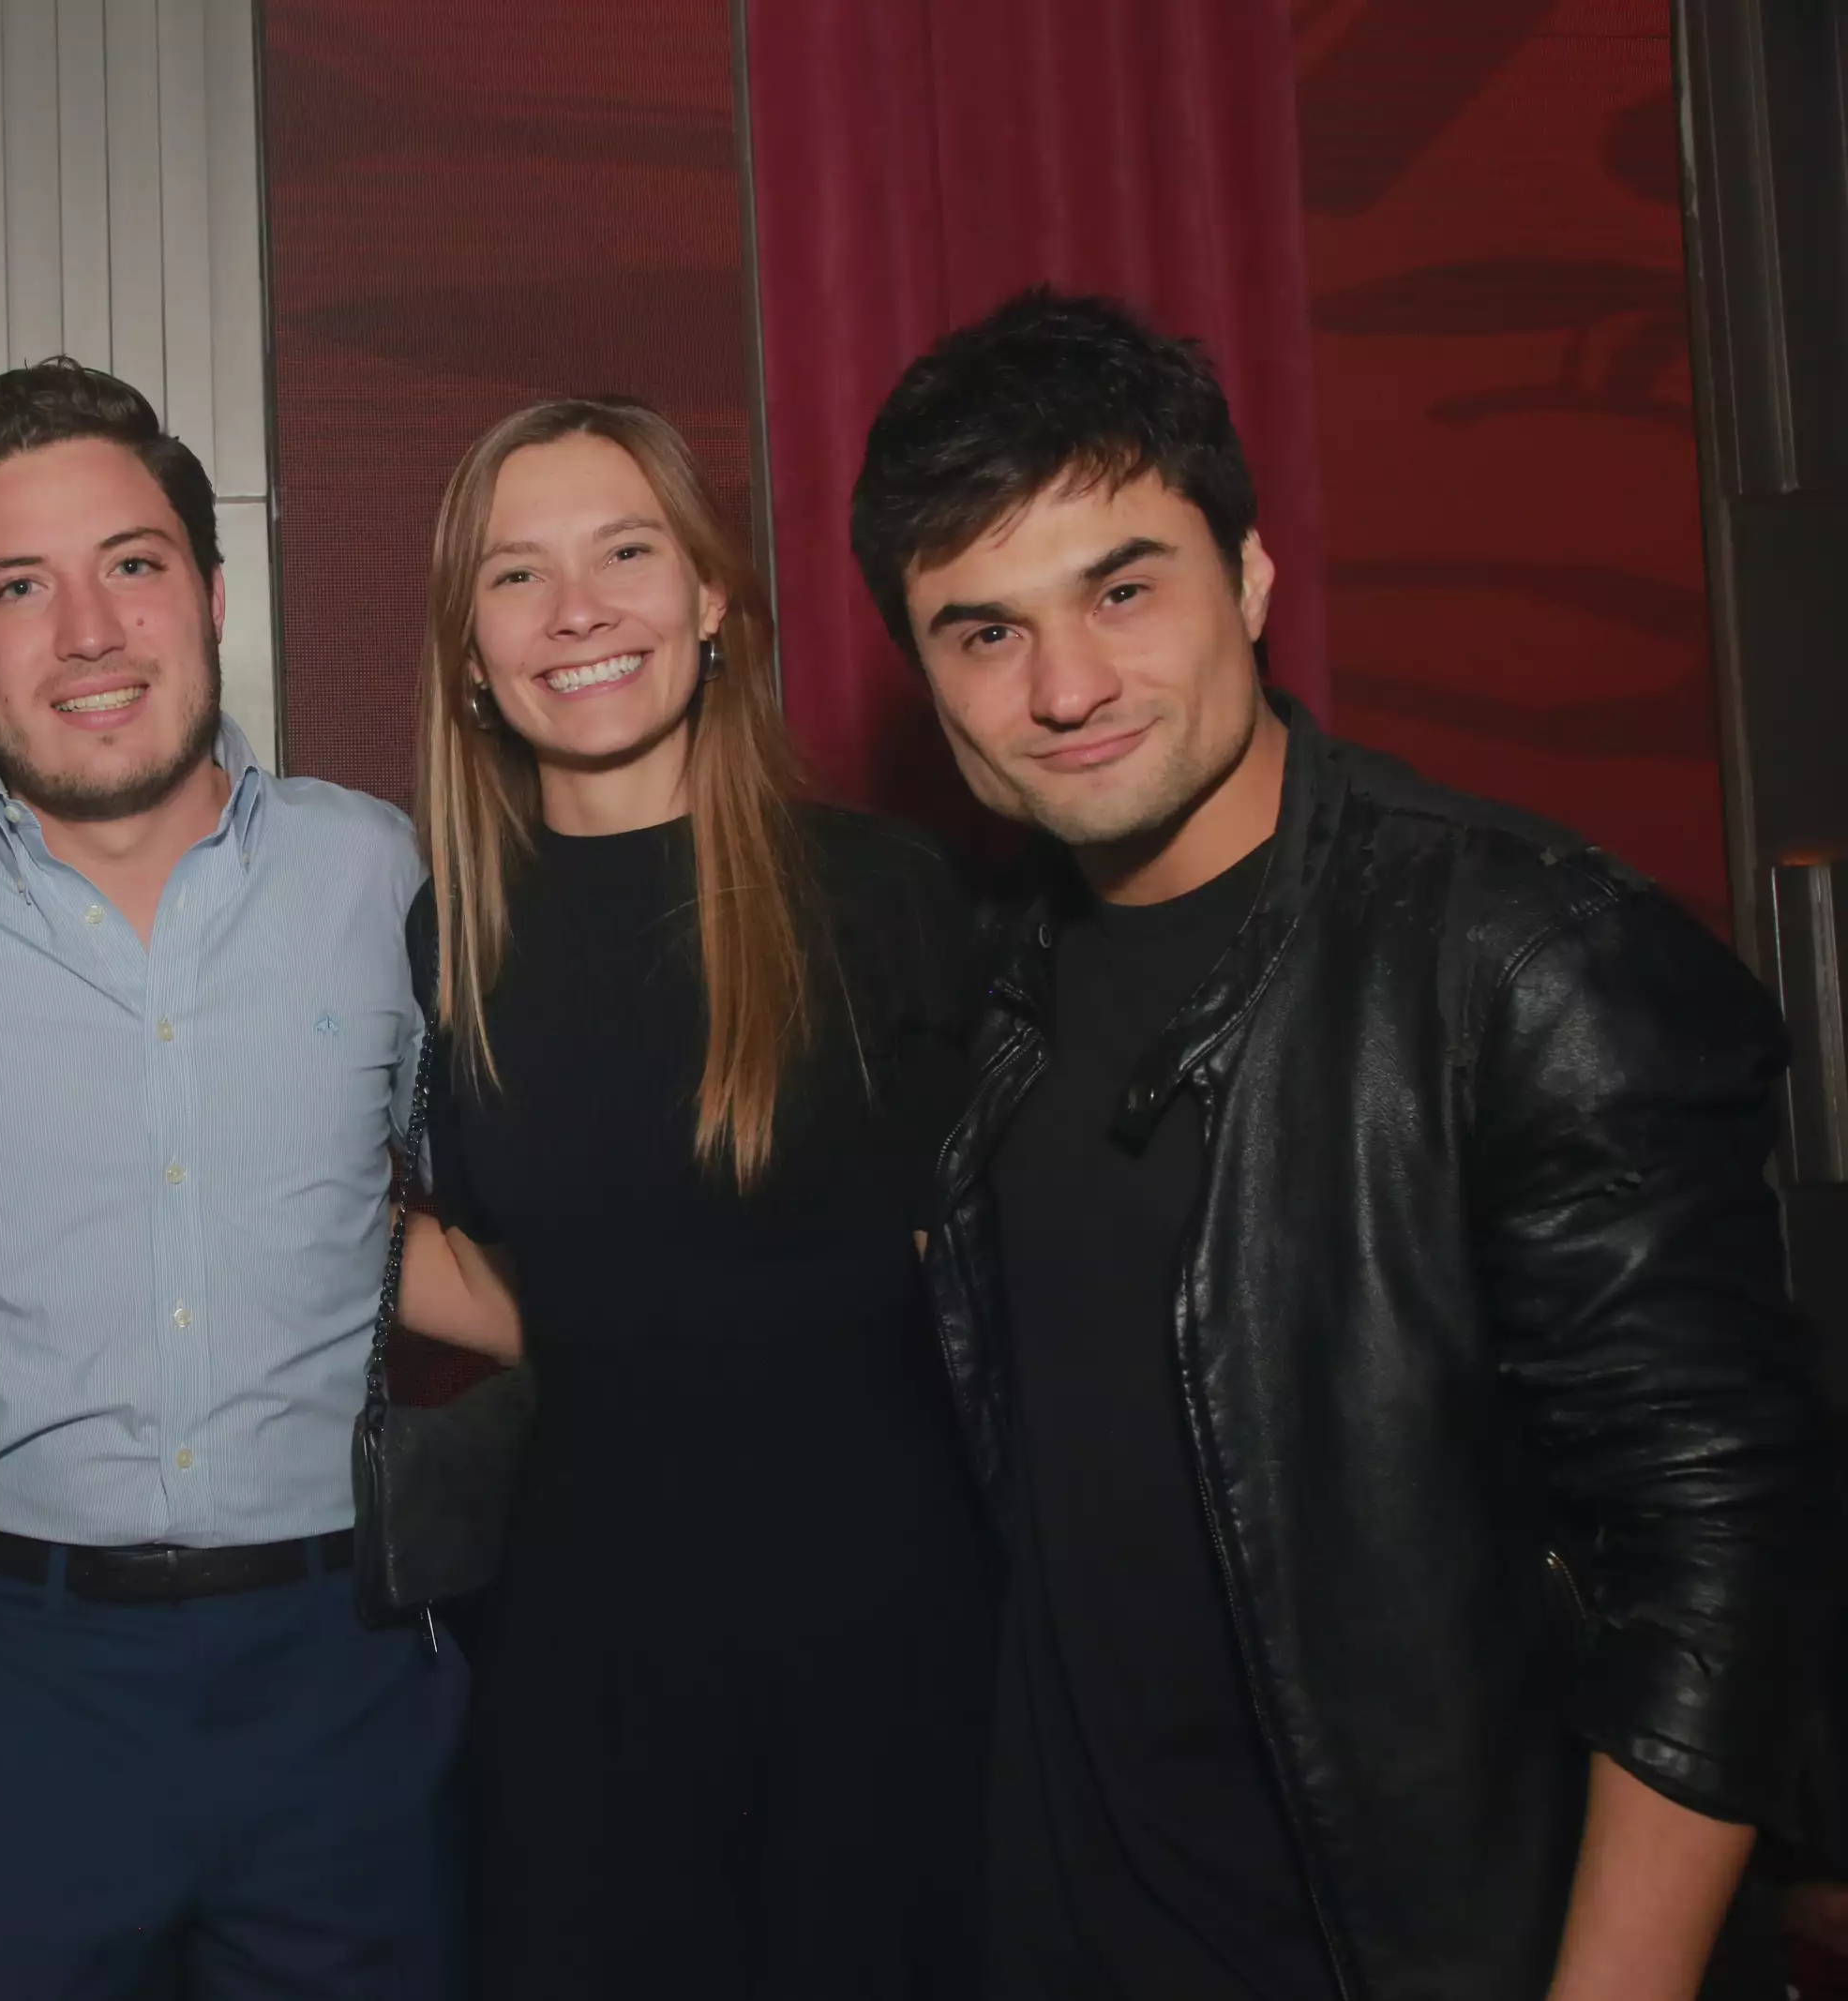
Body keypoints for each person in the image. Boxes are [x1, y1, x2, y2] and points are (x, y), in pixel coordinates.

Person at [849, 288, 1833, 2000]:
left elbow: (1723, 1545)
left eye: (1124, 589)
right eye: (984, 631)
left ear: (1247, 578)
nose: (1066, 685)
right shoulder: (992, 982)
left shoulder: (1523, 961)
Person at [0, 361, 460, 1999]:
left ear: (212, 593)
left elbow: (497, 1213)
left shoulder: (378, 874)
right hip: (15, 1685)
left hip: (348, 1668)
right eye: (18, 587)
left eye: (132, 564)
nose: (88, 631)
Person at [386, 398, 992, 1997]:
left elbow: (992, 1281)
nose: (576, 610)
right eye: (517, 574)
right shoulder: (447, 939)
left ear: (712, 596)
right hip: (580, 1654)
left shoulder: (884, 895)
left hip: (885, 1646)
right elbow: (554, 1297)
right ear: (468, 652)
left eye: (627, 553)